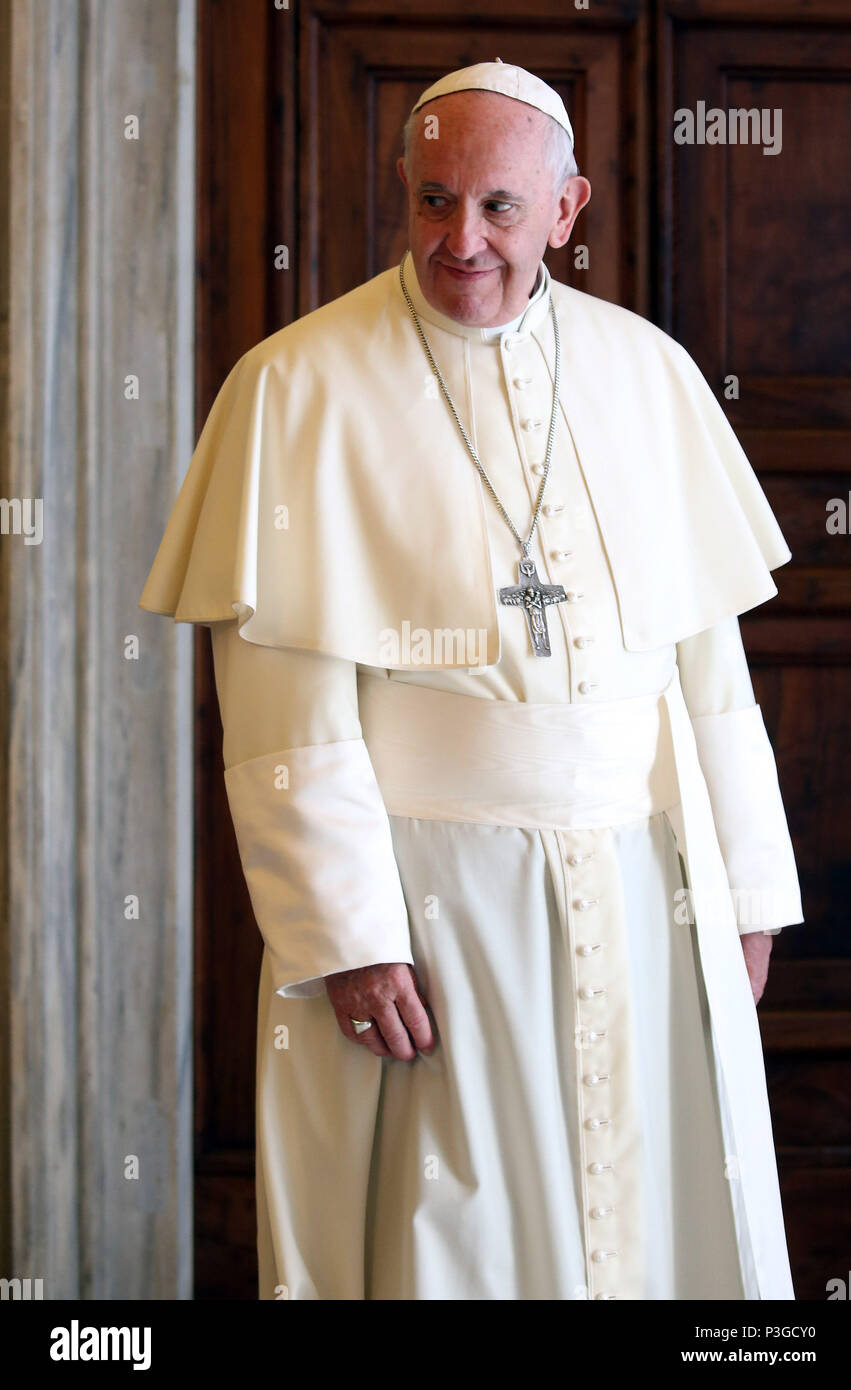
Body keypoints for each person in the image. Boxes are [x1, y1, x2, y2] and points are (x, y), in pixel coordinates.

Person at [139, 61, 804, 1300]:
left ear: (566, 209)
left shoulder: (646, 374)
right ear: (401, 183)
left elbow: (708, 675)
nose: (462, 241)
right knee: (454, 1234)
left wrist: (745, 891)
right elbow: (284, 705)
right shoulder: (295, 386)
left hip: (644, 879)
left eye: (497, 207)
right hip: (432, 898)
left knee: (658, 1224)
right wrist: (347, 933)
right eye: (433, 199)